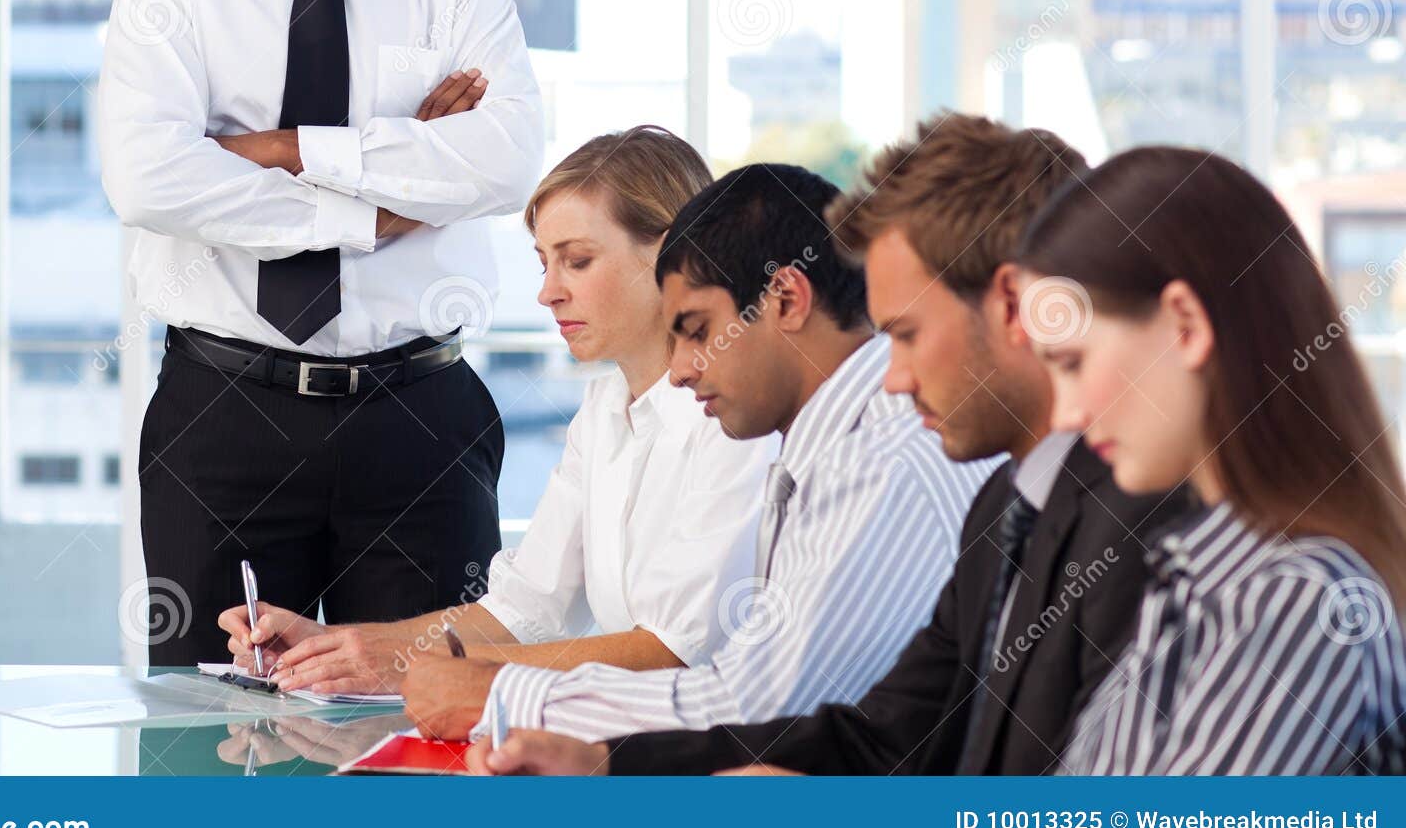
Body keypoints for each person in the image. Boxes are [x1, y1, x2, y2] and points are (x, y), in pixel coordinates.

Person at [465, 113, 1189, 778]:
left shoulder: (905, 461)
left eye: (905, 333)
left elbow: (762, 702)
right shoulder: (1006, 503)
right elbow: (880, 736)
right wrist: (604, 768)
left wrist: (511, 692)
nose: (893, 379)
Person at [97, 0, 544, 664]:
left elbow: (504, 160)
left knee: (424, 721)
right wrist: (380, 202)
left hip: (421, 420)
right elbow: (150, 180)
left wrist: (281, 149)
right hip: (224, 416)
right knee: (214, 723)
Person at [399, 164, 995, 743]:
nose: (681, 371)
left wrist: (503, 691)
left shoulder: (872, 460)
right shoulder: (821, 447)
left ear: (786, 300)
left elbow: (751, 702)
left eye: (699, 330)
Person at [217, 127, 773, 694]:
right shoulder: (604, 410)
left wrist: (412, 668)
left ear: (673, 255)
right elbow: (523, 611)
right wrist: (335, 647)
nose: (548, 293)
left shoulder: (740, 420)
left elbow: (674, 653)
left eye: (577, 261)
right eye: (544, 265)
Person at [1016, 146, 1406, 775]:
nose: (1064, 415)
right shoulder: (1197, 582)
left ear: (1186, 324)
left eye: (1072, 362)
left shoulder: (1297, 603)